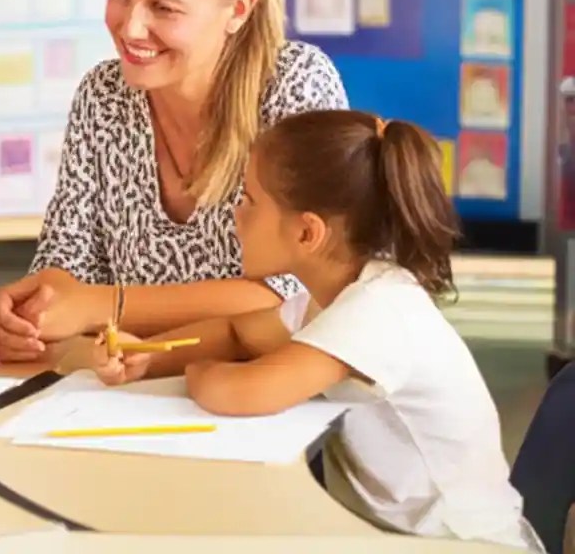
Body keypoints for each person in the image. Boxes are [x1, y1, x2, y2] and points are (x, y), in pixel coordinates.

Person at [95, 110, 540, 552]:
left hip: (462, 544)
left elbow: (242, 393)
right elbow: (237, 333)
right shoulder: (333, 294)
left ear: (308, 232)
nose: (235, 214)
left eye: (249, 200)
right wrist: (151, 354)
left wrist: (197, 370)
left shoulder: (376, 310)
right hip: (393, 537)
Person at [0, 0, 348, 362]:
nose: (130, 27)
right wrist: (24, 309)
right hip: (130, 389)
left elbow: (296, 289)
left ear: (238, 9)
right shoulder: (102, 96)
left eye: (163, 8)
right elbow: (66, 260)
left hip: (264, 392)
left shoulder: (294, 86)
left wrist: (102, 304)